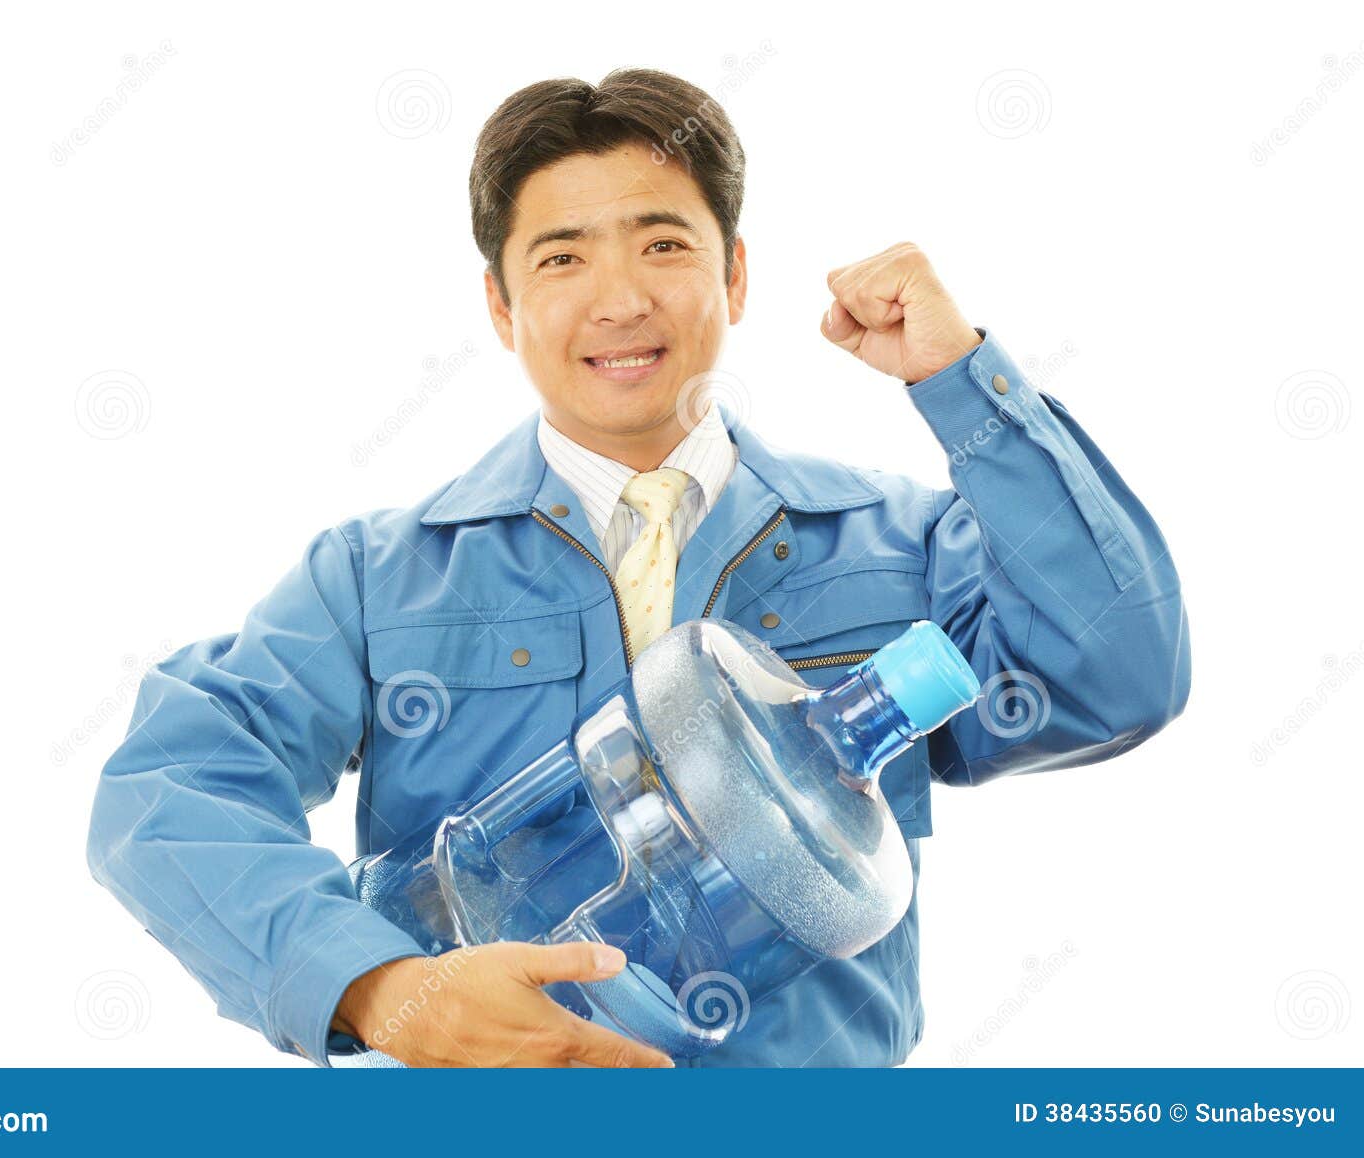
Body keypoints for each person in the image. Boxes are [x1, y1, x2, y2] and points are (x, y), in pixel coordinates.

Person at [85, 68, 1190, 1068]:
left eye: (663, 245)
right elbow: (170, 784)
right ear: (500, 305)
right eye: (562, 258)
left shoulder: (900, 545)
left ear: (736, 275)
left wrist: (960, 381)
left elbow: (1118, 670)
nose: (619, 299)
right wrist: (375, 986)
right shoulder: (379, 579)